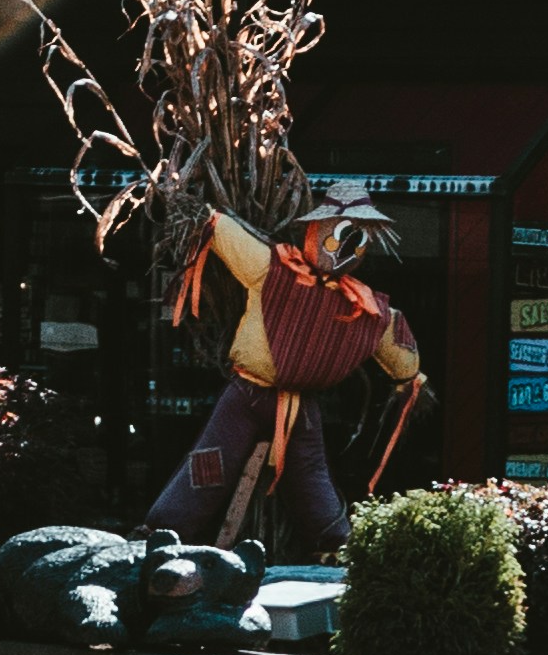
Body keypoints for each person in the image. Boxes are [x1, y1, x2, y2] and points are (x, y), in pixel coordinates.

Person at [139, 197, 429, 560]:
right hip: (247, 395)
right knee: (211, 463)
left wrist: (410, 378)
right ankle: (163, 532)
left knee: (310, 475)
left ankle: (335, 546)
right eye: (341, 233)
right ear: (315, 231)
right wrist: (207, 217)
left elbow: (395, 342)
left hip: (299, 407)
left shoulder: (363, 305)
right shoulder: (275, 269)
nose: (348, 246)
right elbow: (233, 240)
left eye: (359, 238)